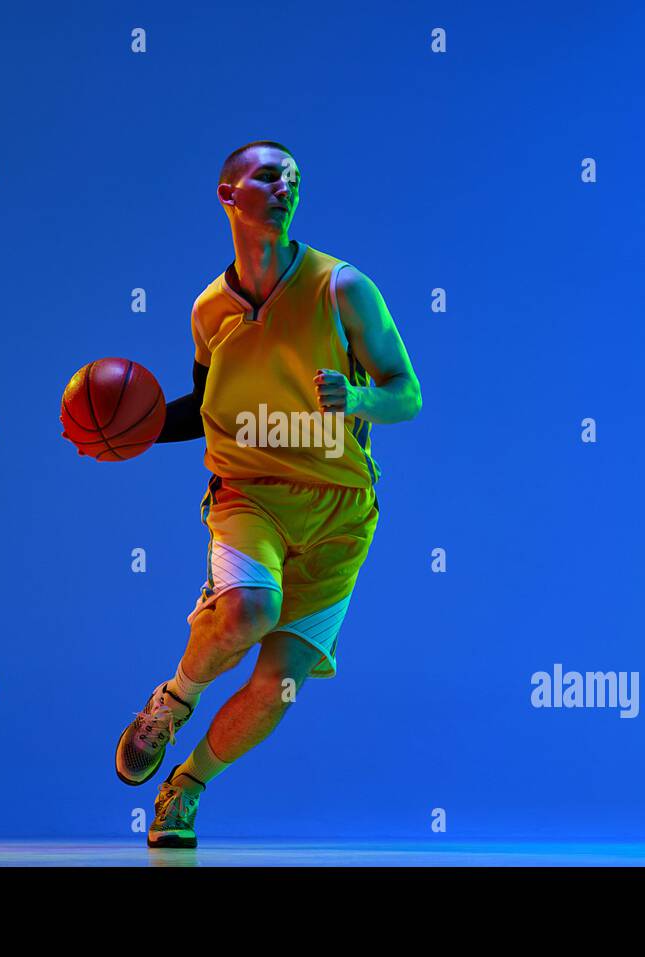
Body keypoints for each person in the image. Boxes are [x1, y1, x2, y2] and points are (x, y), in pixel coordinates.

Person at [115, 140, 422, 848]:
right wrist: (127, 432)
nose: (284, 185)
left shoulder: (342, 287)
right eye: (266, 175)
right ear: (228, 194)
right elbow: (202, 405)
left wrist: (360, 400)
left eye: (293, 177)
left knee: (279, 686)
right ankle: (173, 701)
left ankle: (185, 786)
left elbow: (408, 393)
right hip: (247, 492)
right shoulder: (209, 310)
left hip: (341, 511)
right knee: (253, 607)